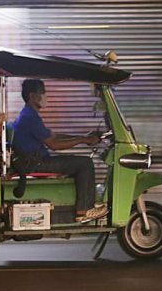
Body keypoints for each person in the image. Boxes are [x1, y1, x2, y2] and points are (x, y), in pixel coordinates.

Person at [11, 79, 107, 223]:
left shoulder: (29, 115)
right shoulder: (30, 117)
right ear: (32, 96)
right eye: (42, 92)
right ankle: (84, 210)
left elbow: (52, 135)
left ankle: (83, 204)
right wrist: (82, 140)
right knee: (85, 163)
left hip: (35, 159)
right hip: (36, 163)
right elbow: (54, 145)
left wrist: (84, 137)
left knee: (79, 161)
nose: (45, 95)